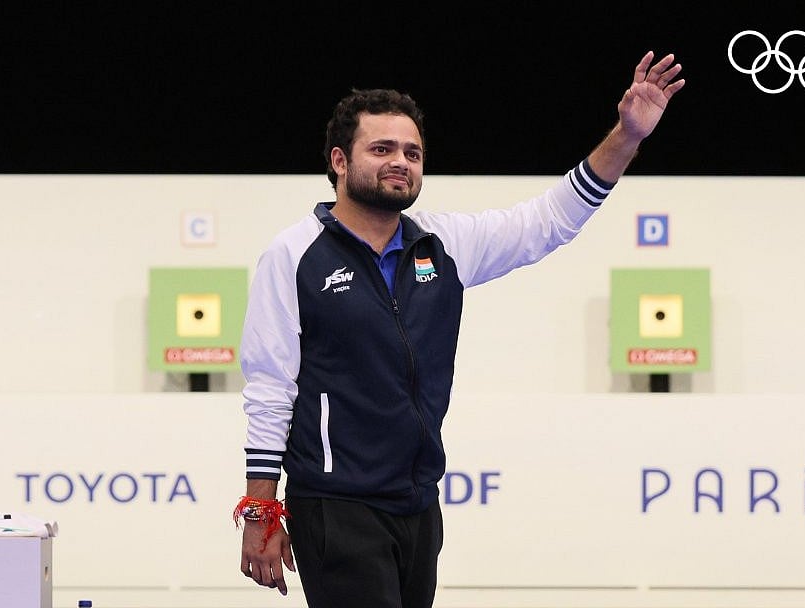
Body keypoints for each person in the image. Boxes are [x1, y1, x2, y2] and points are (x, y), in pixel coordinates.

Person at [235, 50, 685, 607]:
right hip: (336, 503)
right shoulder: (292, 255)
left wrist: (627, 135)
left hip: (419, 503)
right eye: (382, 149)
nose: (401, 162)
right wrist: (261, 510)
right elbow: (270, 386)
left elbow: (549, 221)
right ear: (339, 162)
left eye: (412, 152)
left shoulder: (443, 244)